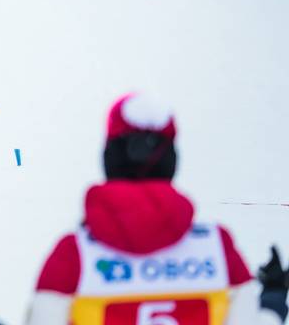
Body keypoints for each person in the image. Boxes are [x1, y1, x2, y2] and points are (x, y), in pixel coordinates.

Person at [25, 93, 288, 325]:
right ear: (172, 159)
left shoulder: (72, 256)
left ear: (110, 156)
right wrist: (274, 296)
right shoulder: (217, 249)